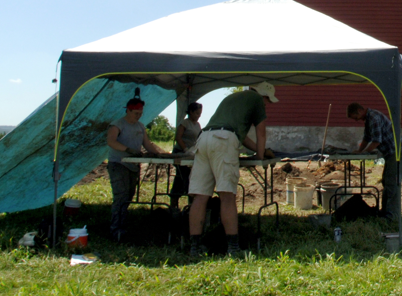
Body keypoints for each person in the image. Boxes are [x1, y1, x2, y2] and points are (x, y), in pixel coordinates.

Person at [187, 82, 277, 256]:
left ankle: (194, 248)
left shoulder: (234, 98)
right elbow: (261, 132)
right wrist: (260, 156)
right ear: (264, 96)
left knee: (200, 197)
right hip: (223, 141)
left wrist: (261, 151)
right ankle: (233, 248)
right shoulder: (257, 100)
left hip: (204, 138)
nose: (266, 105)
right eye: (268, 101)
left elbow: (240, 136)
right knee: (227, 195)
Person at [105, 95, 168, 241]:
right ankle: (115, 230)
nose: (138, 116)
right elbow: (111, 141)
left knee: (129, 196)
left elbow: (147, 144)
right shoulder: (117, 125)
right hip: (118, 164)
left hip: (133, 166)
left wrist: (159, 154)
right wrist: (127, 149)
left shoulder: (140, 126)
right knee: (121, 197)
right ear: (128, 110)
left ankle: (123, 225)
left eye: (140, 113)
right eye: (136, 113)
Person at [347, 102, 402, 221]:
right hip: (389, 152)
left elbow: (376, 141)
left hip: (395, 151)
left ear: (359, 111)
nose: (356, 120)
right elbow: (366, 138)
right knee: (386, 181)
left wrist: (365, 152)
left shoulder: (374, 118)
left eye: (356, 117)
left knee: (392, 183)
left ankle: (392, 215)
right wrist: (359, 151)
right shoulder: (368, 119)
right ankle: (385, 211)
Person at [169, 102, 203, 211]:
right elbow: (178, 137)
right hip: (180, 152)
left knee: (189, 177)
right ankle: (176, 201)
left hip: (191, 153)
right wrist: (185, 149)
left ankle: (190, 204)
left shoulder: (197, 125)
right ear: (191, 112)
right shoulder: (185, 123)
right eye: (197, 113)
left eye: (200, 114)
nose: (198, 116)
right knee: (183, 176)